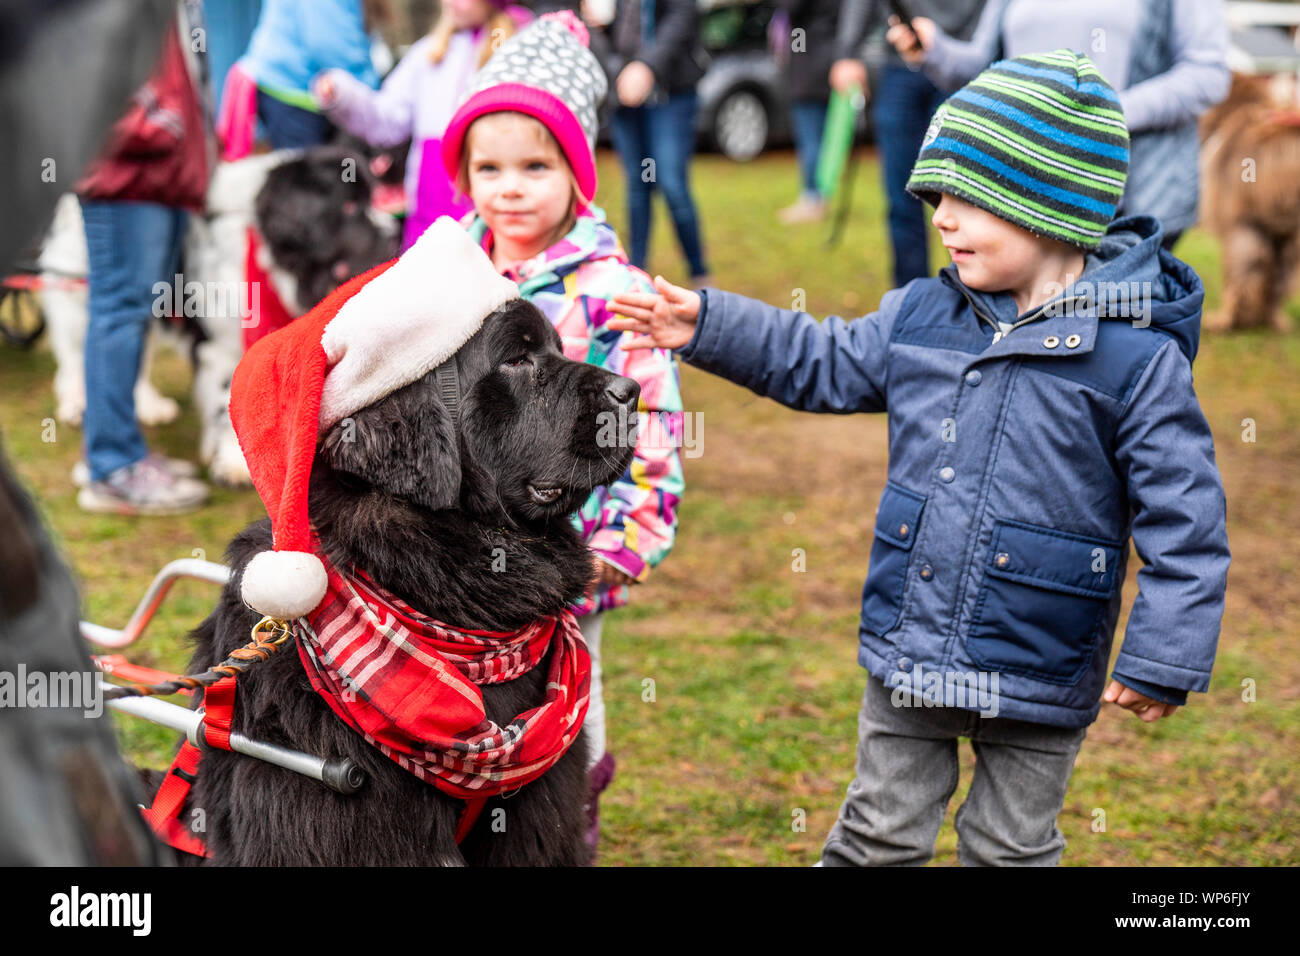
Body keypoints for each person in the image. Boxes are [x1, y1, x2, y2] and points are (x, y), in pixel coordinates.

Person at [609, 52, 1230, 865]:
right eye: (936, 195)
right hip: (915, 638)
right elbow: (821, 359)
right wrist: (710, 327)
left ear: (1045, 202)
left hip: (1044, 658)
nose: (940, 217)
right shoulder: (923, 316)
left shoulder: (1134, 361)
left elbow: (1186, 518)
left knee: (1010, 848)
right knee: (877, 834)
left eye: (966, 198)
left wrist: (1164, 652)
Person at [440, 10, 686, 856]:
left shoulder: (610, 291)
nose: (509, 188)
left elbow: (646, 419)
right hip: (469, 544)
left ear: (575, 175)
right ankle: (478, 807)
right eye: (488, 167)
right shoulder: (450, 278)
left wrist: (625, 539)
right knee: (474, 682)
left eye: (534, 167)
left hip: (573, 546)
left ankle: (564, 809)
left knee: (568, 681)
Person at [886, 0, 1230, 250]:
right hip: (1029, 185)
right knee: (1031, 327)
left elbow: (1207, 74)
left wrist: (1103, 113)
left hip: (1133, 190)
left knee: (1118, 328)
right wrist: (935, 49)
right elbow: (986, 67)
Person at [74, 8, 213, 515]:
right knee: (118, 311)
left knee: (130, 312)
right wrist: (163, 121)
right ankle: (112, 466)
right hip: (125, 178)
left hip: (158, 178)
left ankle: (118, 453)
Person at [313, 0, 532, 250]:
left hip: (491, 224)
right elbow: (385, 121)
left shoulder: (517, 52)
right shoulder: (428, 54)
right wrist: (343, 95)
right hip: (427, 220)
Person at [831, 0, 986, 285]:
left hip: (965, 61)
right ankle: (911, 301)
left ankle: (972, 303)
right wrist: (847, 53)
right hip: (900, 64)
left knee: (967, 197)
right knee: (902, 196)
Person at [594, 0, 711, 286]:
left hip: (671, 93)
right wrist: (601, 24)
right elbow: (616, 32)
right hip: (624, 97)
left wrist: (648, 67)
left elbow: (681, 19)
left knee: (672, 184)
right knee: (637, 186)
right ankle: (636, 273)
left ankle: (699, 273)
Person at [239, 0, 380, 149]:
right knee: (309, 167)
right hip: (293, 89)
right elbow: (326, 45)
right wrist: (371, 88)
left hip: (298, 85)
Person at [772, 0, 841, 225]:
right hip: (826, 61)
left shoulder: (802, 32)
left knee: (811, 138)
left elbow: (790, 8)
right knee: (821, 138)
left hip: (809, 68)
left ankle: (813, 199)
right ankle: (819, 196)